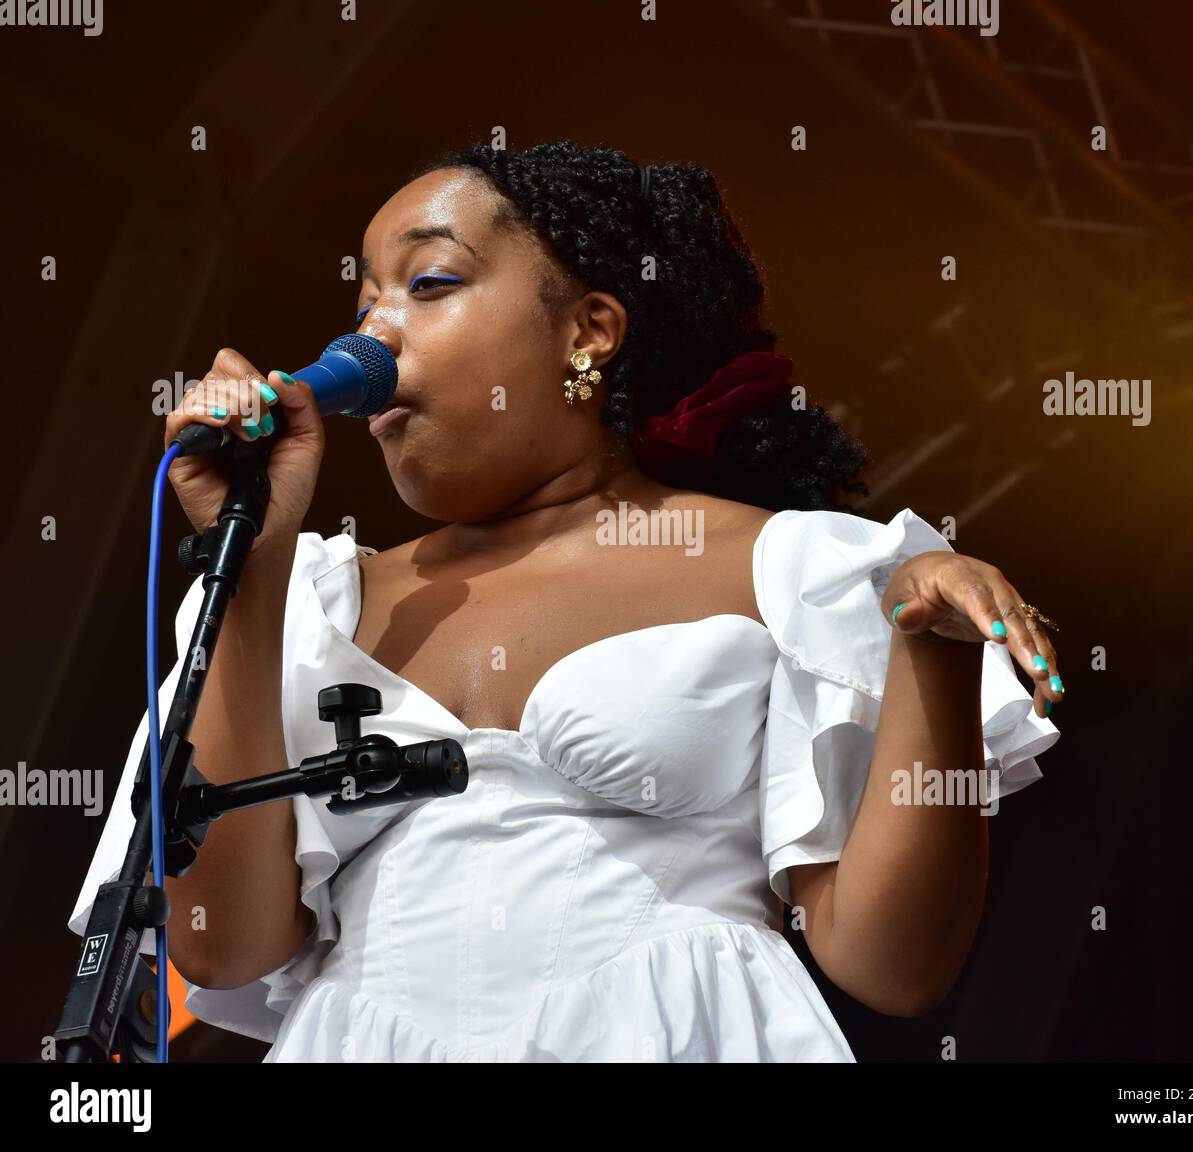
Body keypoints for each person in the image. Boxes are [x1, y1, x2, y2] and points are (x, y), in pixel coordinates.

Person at [68, 141, 1062, 1062]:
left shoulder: (790, 566)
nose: (374, 331)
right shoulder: (303, 601)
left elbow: (891, 967)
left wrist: (928, 656)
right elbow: (222, 947)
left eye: (428, 284)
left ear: (587, 333)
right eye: (364, 303)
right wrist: (254, 561)